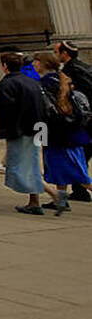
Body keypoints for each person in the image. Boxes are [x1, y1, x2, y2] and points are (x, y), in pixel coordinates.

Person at [0, 51, 48, 215]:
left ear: (5, 66)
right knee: (32, 162)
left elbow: (7, 109)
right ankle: (35, 199)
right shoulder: (31, 81)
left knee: (20, 166)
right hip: (37, 127)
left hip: (20, 129)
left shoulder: (7, 84)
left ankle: (48, 197)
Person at [34, 53, 92, 212]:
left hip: (59, 135)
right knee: (62, 169)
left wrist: (40, 136)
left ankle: (61, 199)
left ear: (42, 64)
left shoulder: (44, 84)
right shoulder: (62, 79)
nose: (33, 64)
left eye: (36, 61)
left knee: (80, 175)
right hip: (72, 132)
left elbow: (44, 112)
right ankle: (61, 199)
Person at [55, 41, 92, 200]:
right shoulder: (83, 67)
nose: (55, 55)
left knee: (81, 154)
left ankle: (81, 188)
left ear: (65, 54)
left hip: (85, 119)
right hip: (87, 117)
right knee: (82, 154)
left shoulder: (71, 71)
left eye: (57, 52)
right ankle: (79, 189)